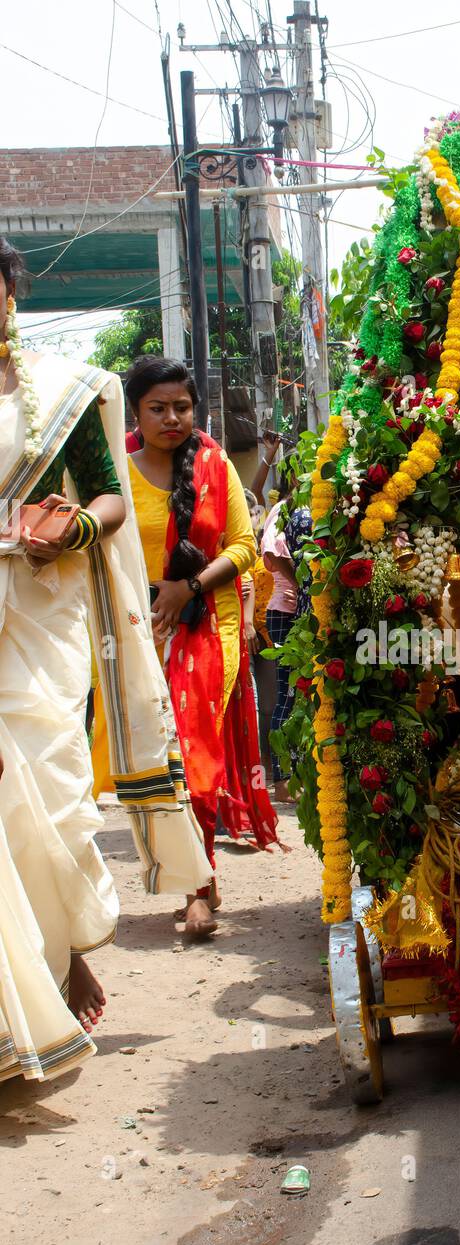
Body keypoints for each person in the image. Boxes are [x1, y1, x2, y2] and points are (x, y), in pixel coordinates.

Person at [0, 241, 211, 1079]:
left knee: (45, 805)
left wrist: (69, 531)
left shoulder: (65, 392)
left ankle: (52, 964)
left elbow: (110, 494)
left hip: (40, 623)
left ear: (10, 295)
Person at [95, 357, 281, 933]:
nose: (172, 417)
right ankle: (196, 877)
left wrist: (188, 588)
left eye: (182, 406)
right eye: (158, 408)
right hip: (139, 630)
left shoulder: (214, 466)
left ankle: (197, 891)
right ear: (135, 413)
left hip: (207, 622)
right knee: (159, 765)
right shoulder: (115, 475)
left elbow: (245, 547)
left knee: (194, 758)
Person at [261, 470, 311, 802]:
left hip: (296, 610)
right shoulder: (283, 510)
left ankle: (293, 777)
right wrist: (299, 581)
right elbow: (269, 556)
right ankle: (281, 781)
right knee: (286, 695)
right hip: (283, 611)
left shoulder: (305, 506)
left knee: (296, 697)